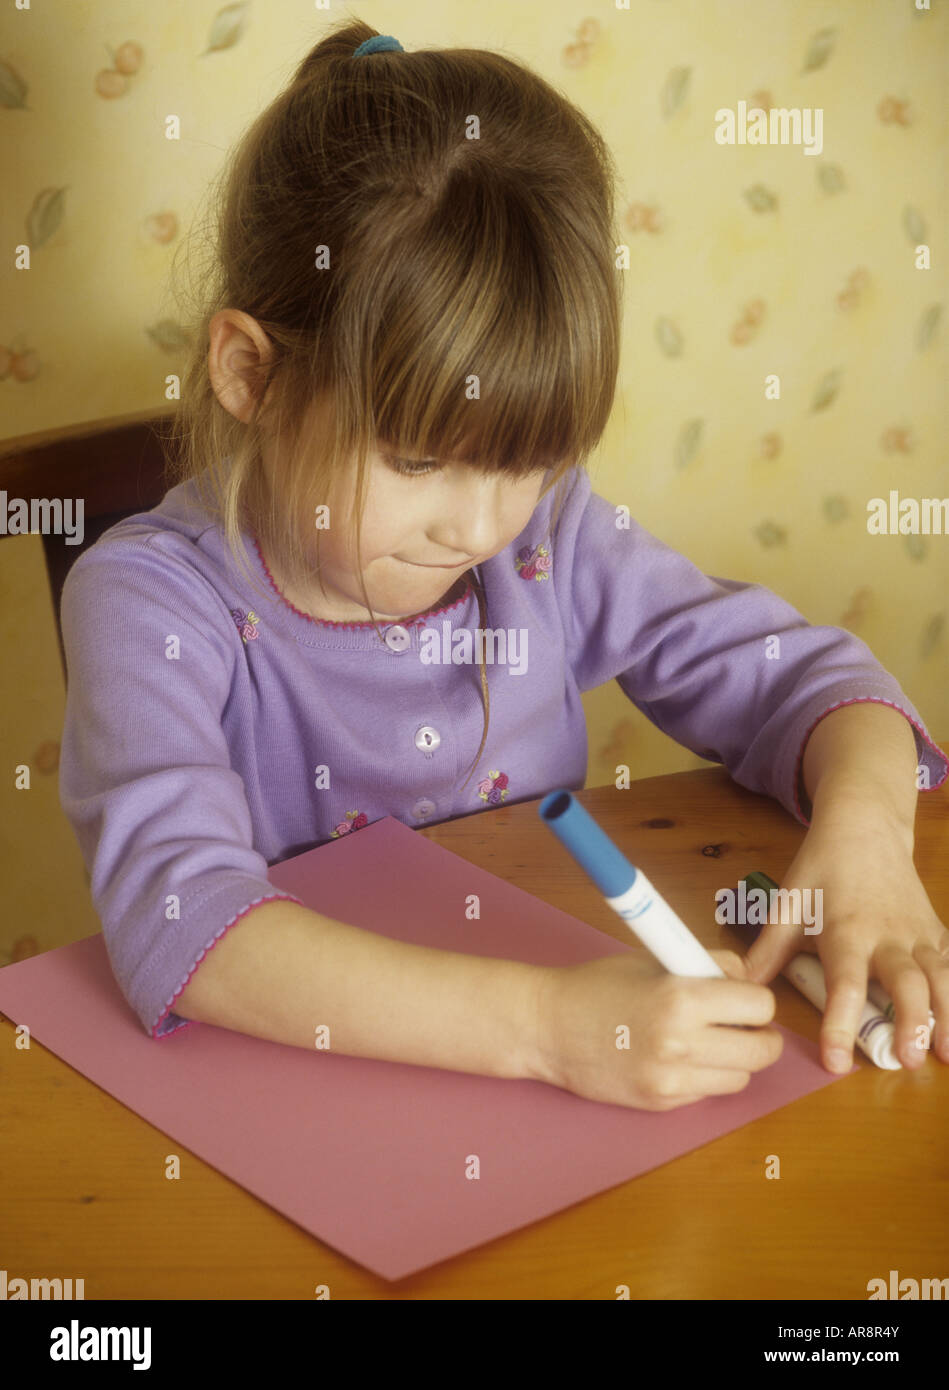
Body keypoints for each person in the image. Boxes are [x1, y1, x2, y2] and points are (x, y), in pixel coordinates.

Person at [59, 21, 949, 1111]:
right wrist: (549, 1031)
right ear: (253, 374)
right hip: (312, 1100)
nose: (479, 529)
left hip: (557, 1080)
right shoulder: (150, 600)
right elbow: (179, 921)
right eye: (420, 458)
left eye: (528, 461)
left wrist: (864, 835)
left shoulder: (549, 537)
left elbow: (809, 680)